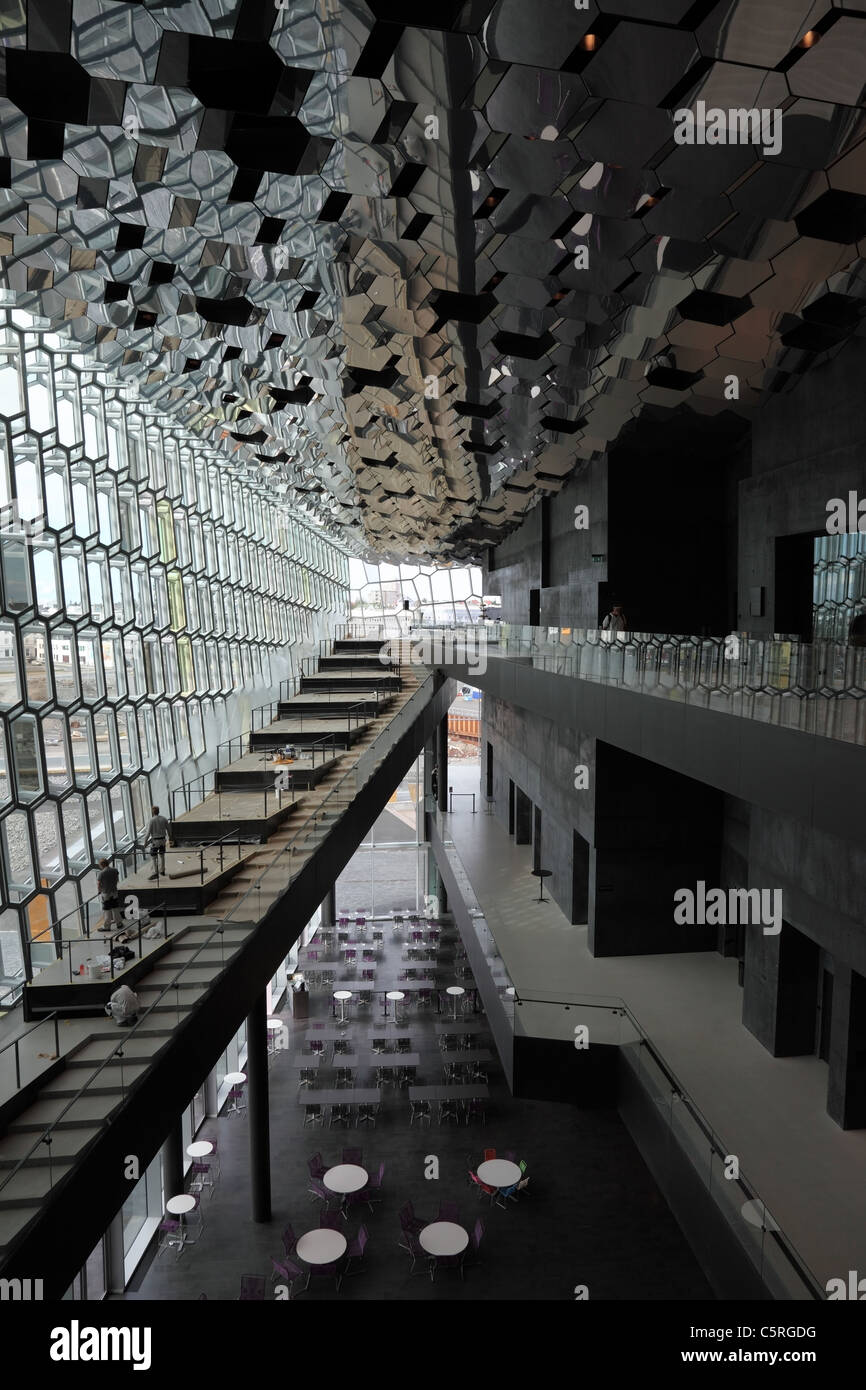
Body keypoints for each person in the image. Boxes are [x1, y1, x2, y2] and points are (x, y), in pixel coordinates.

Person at [144, 804, 170, 880]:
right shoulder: (164, 819)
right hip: (163, 840)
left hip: (155, 841)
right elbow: (169, 829)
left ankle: (155, 872)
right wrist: (170, 838)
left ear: (153, 812)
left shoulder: (151, 821)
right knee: (162, 855)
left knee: (153, 856)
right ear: (158, 811)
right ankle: (162, 870)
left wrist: (145, 842)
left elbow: (148, 833)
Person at [97, 858, 121, 932]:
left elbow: (98, 884)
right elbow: (117, 879)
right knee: (115, 908)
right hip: (114, 892)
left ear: (102, 865)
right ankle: (119, 923)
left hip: (106, 893)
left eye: (100, 865)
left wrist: (99, 891)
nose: (100, 867)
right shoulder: (114, 870)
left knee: (107, 910)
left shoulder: (101, 873)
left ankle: (107, 926)